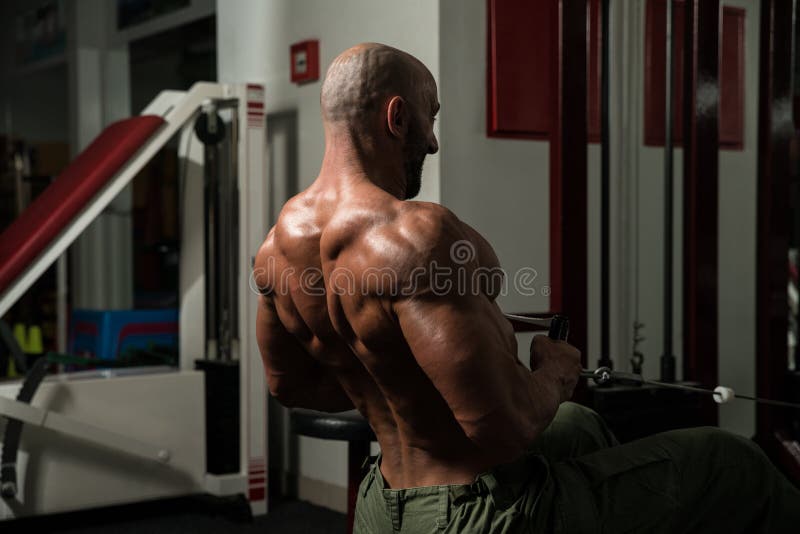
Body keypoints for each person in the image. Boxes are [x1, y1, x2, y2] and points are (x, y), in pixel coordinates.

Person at [254, 43, 800, 533]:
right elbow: (504, 427)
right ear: (397, 116)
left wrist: (390, 374)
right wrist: (555, 372)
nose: (435, 142)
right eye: (431, 117)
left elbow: (292, 388)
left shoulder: (277, 248)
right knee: (730, 461)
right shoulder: (415, 235)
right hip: (473, 516)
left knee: (578, 425)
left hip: (383, 505)